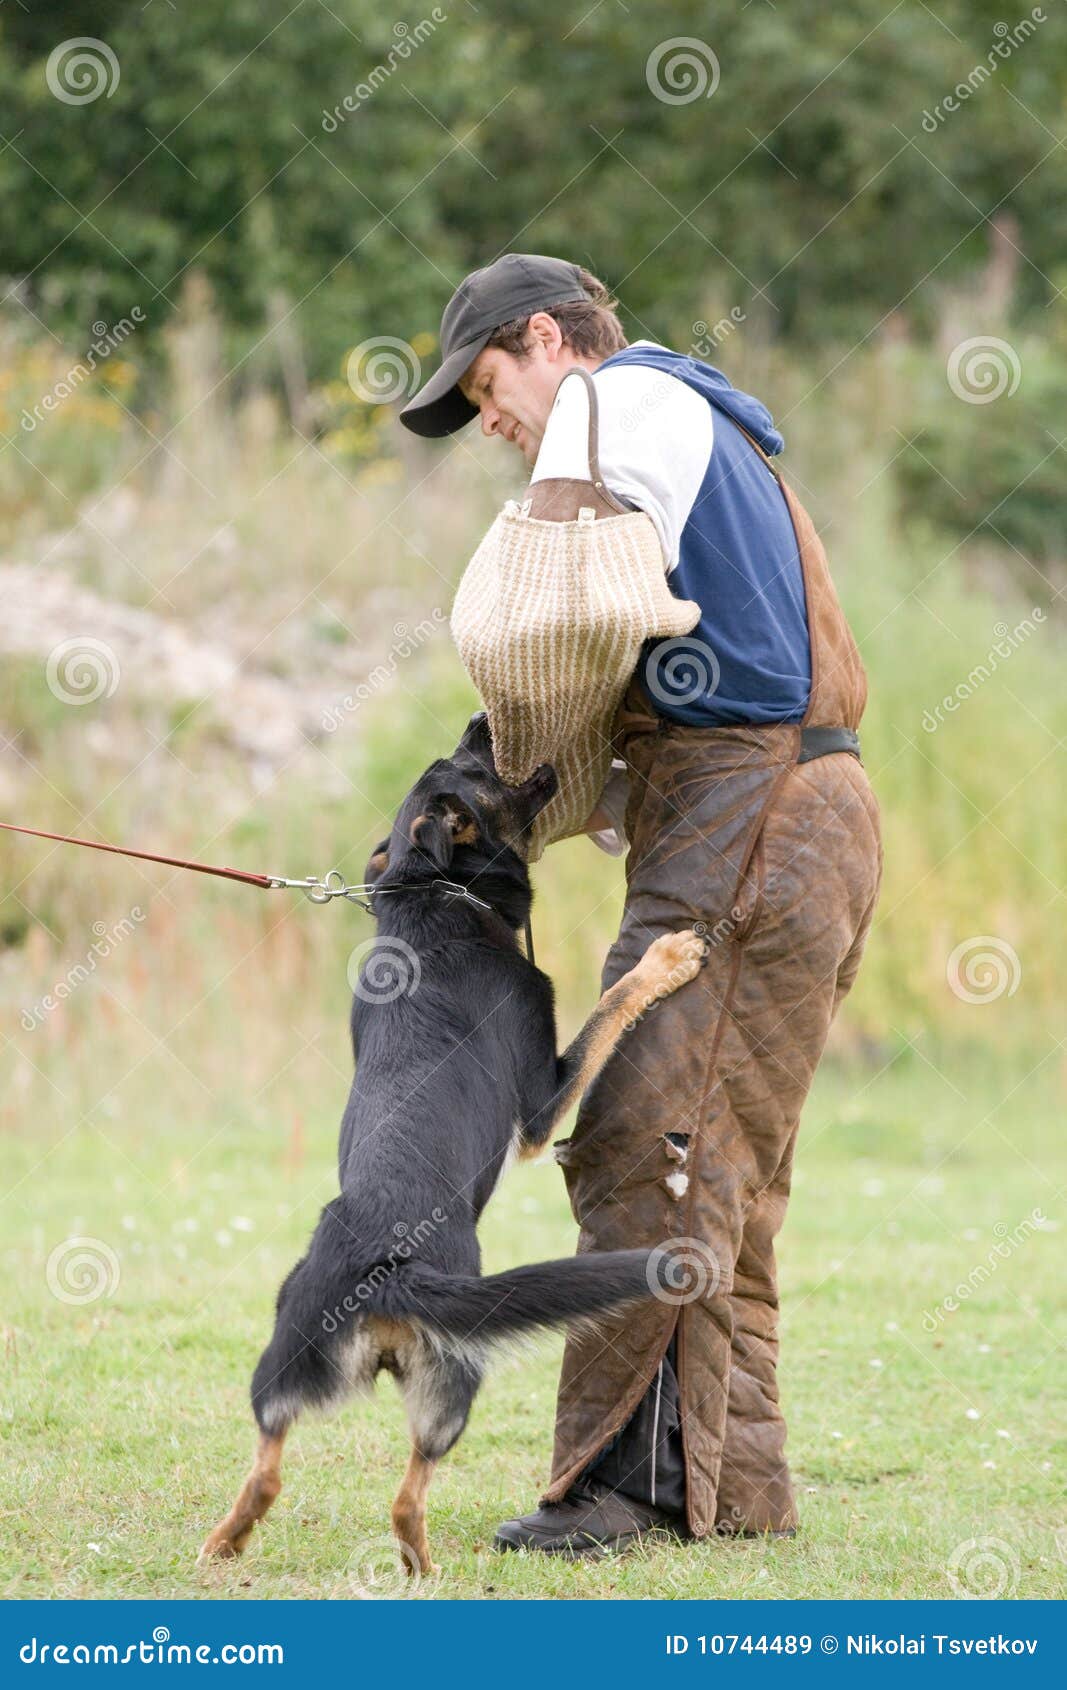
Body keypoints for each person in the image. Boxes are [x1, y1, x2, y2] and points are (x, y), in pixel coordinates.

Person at [399, 254, 882, 1556]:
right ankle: (740, 1495)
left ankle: (624, 1492)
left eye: (489, 386)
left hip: (749, 814)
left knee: (634, 1128)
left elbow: (554, 621)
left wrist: (473, 799)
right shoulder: (713, 426)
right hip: (805, 810)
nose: (491, 421)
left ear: (548, 340)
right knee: (720, 1168)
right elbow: (636, 659)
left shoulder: (619, 405)